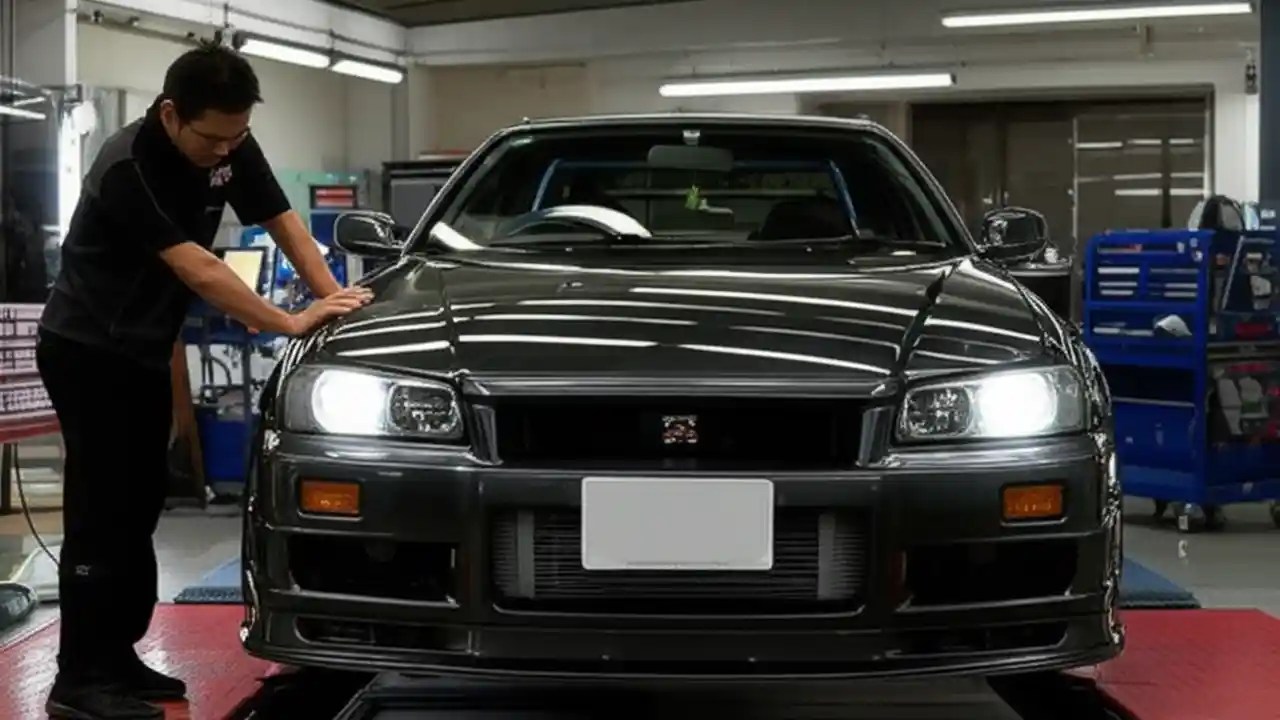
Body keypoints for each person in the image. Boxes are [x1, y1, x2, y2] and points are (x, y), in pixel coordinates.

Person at [36, 42, 372, 719]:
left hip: (142, 351)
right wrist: (289, 321)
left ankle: (117, 658)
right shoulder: (127, 166)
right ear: (170, 115)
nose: (225, 150)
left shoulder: (230, 144)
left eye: (236, 136)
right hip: (87, 351)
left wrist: (337, 301)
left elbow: (284, 222)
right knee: (102, 513)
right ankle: (80, 678)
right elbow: (200, 268)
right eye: (212, 138)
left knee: (140, 505)